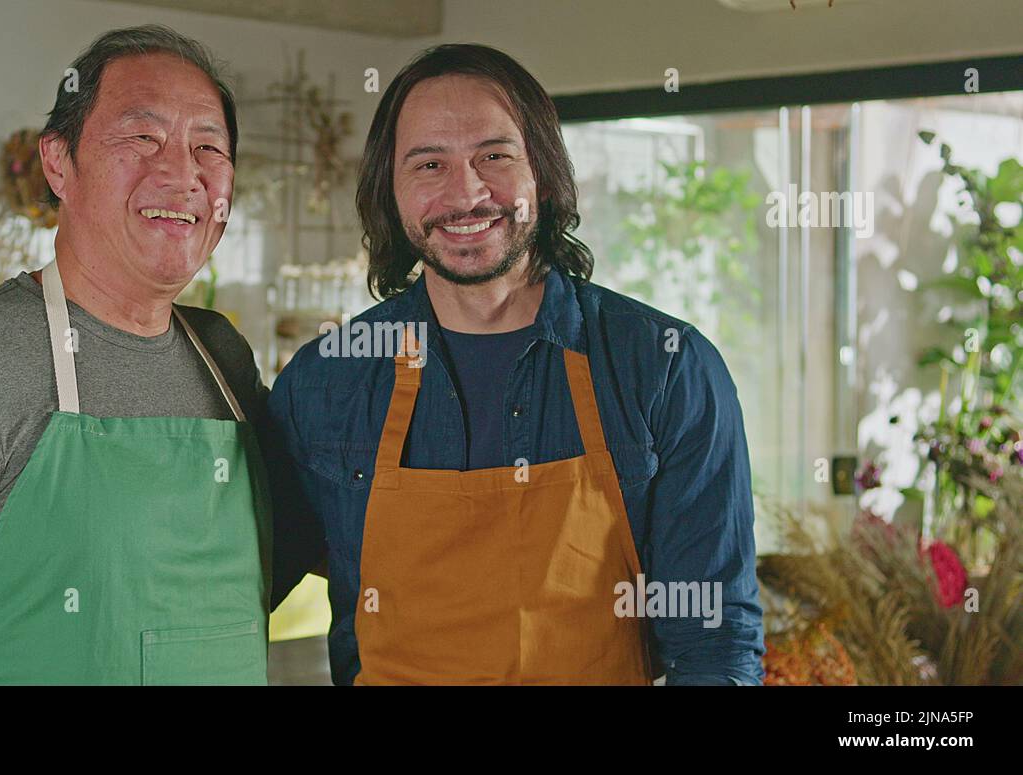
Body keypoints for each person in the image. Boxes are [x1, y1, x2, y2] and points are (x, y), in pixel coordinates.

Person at [268, 44, 765, 685]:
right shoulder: (326, 382)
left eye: (494, 157)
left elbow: (715, 645)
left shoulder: (664, 369)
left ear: (544, 174)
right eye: (429, 164)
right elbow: (231, 599)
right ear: (389, 192)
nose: (466, 192)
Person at [0, 25, 272, 685]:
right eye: (142, 138)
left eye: (208, 146)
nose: (181, 173)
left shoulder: (226, 361)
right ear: (58, 163)